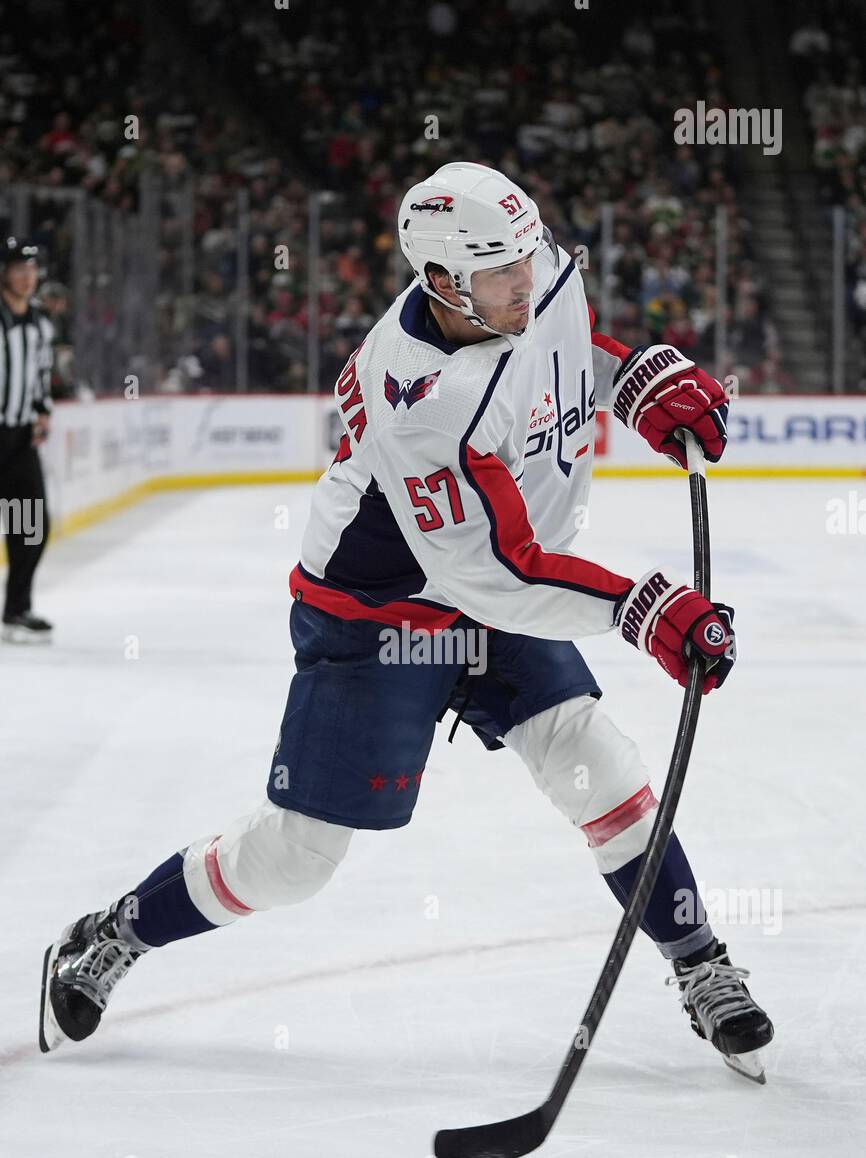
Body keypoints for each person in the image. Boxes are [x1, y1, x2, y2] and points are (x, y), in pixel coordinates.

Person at [39, 163, 773, 1077]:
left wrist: (633, 380)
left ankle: (701, 964)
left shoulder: (523, 275)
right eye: (505, 273)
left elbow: (556, 351)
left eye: (530, 258)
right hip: (380, 613)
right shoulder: (422, 404)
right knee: (299, 857)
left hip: (495, 572)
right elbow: (496, 574)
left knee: (598, 766)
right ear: (442, 283)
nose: (530, 281)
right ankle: (120, 929)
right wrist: (640, 607)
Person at [0, 238, 54, 642]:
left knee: (29, 526)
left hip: (18, 442)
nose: (26, 277)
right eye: (19, 268)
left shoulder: (39, 322)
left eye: (31, 270)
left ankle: (17, 609)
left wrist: (42, 410)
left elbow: (39, 375)